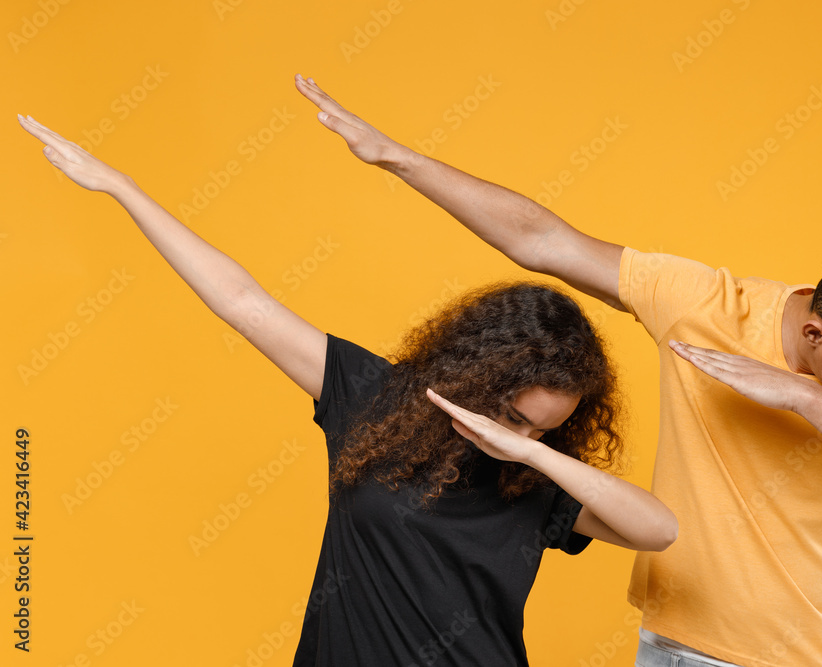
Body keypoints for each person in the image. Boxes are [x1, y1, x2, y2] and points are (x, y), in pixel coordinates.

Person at [292, 74, 822, 667]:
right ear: (815, 331)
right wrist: (392, 157)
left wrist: (799, 393)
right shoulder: (705, 304)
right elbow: (542, 239)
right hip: (680, 649)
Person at [18, 108, 678, 666]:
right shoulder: (374, 397)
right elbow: (243, 301)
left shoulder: (537, 481)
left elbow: (658, 528)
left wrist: (533, 453)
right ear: (478, 373)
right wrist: (123, 188)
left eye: (543, 427)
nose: (523, 434)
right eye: (512, 415)